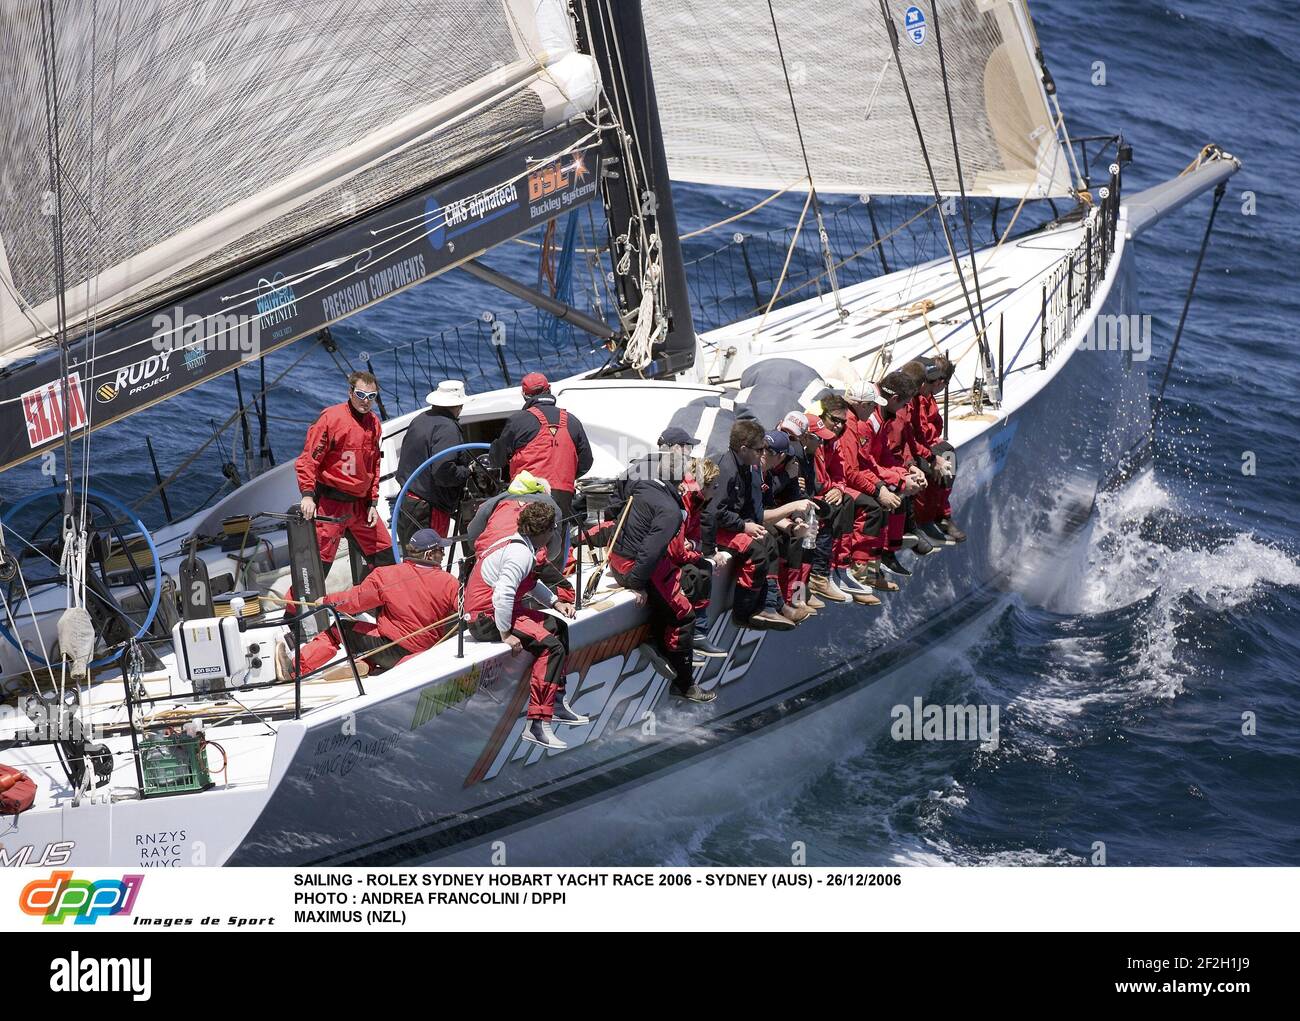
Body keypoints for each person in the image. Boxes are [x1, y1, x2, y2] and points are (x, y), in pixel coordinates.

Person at [607, 427, 716, 703]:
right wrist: (635, 583)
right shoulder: (669, 511)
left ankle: (658, 642)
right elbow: (651, 551)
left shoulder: (644, 485)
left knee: (674, 587)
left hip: (616, 558)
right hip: (634, 566)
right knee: (684, 613)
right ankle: (684, 683)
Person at [464, 501, 584, 750]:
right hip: (486, 618)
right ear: (546, 531)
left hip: (499, 610)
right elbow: (503, 595)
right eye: (553, 529)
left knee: (559, 627)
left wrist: (554, 602)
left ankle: (557, 702)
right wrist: (505, 633)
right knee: (552, 647)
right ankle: (537, 723)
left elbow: (527, 583)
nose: (554, 533)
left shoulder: (523, 546)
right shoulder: (519, 553)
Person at [275, 529, 457, 679]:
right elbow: (464, 608)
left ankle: (294, 669)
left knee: (339, 628)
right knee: (372, 629)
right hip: (428, 653)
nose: (443, 554)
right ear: (429, 554)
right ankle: (364, 663)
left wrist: (326, 602)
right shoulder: (449, 582)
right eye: (441, 550)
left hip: (391, 652)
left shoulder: (386, 575)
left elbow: (355, 601)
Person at [290, 370, 392, 608]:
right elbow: (308, 460)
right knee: (316, 568)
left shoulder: (374, 423)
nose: (365, 401)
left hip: (359, 506)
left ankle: (377, 606)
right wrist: (307, 495)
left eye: (372, 396)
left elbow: (373, 466)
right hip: (331, 507)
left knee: (385, 556)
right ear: (350, 392)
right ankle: (292, 616)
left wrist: (372, 502)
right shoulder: (331, 419)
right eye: (360, 394)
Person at [701, 419, 792, 631]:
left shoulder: (745, 467)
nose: (763, 454)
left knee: (769, 540)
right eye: (760, 449)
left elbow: (747, 506)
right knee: (756, 552)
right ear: (744, 449)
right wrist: (744, 526)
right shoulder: (728, 471)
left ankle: (769, 603)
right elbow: (715, 512)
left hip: (733, 524)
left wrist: (750, 523)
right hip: (716, 530)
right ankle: (744, 613)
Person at [488, 372, 593, 523]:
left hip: (528, 492)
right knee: (557, 539)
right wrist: (566, 475)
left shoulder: (518, 421)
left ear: (524, 395)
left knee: (529, 538)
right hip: (563, 493)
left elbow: (497, 459)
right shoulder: (572, 421)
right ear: (549, 389)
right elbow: (586, 462)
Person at [394, 379, 470, 552]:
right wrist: (466, 472)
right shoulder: (448, 428)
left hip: (407, 501)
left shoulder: (420, 419)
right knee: (430, 556)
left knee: (412, 556)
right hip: (428, 506)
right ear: (458, 405)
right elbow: (443, 472)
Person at [759, 428, 819, 624]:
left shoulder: (794, 458)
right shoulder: (763, 463)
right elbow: (765, 498)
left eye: (795, 436)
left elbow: (796, 494)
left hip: (785, 512)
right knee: (780, 538)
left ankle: (798, 597)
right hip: (770, 515)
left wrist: (799, 519)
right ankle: (784, 600)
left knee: (805, 537)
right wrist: (786, 476)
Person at [907, 356, 966, 543]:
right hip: (915, 448)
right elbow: (920, 431)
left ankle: (942, 514)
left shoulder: (927, 396)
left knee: (948, 455)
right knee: (937, 466)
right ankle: (924, 519)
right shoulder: (918, 399)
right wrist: (932, 456)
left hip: (926, 444)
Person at [681, 456, 727, 658]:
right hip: (663, 557)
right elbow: (676, 544)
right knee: (696, 573)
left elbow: (694, 538)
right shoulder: (684, 501)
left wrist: (693, 546)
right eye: (714, 485)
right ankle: (688, 636)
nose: (716, 490)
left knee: (703, 567)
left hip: (681, 550)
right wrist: (693, 548)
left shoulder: (697, 502)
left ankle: (698, 634)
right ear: (704, 484)